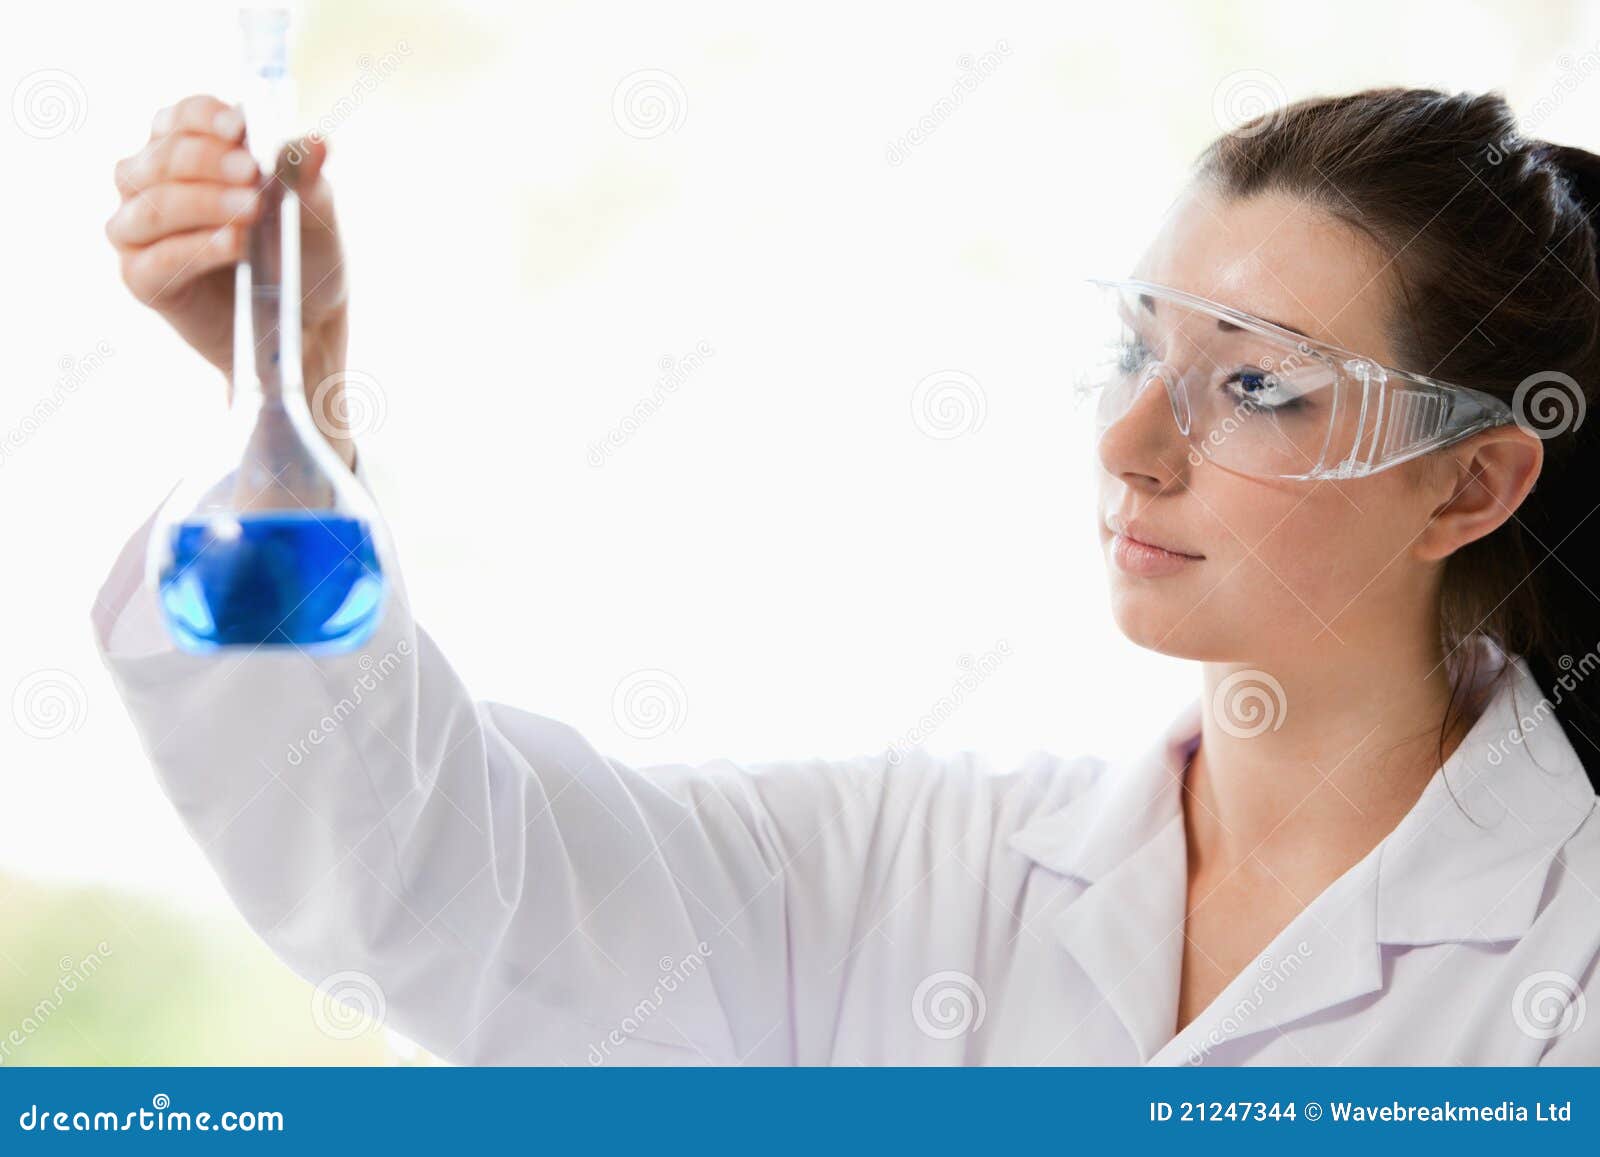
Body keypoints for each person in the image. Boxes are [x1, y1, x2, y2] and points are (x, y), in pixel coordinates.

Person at [97, 86, 1600, 1065]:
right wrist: (289, 392)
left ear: (1470, 480)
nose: (1134, 441)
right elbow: (446, 884)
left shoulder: (1565, 961)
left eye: (1258, 384)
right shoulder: (915, 873)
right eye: (1141, 349)